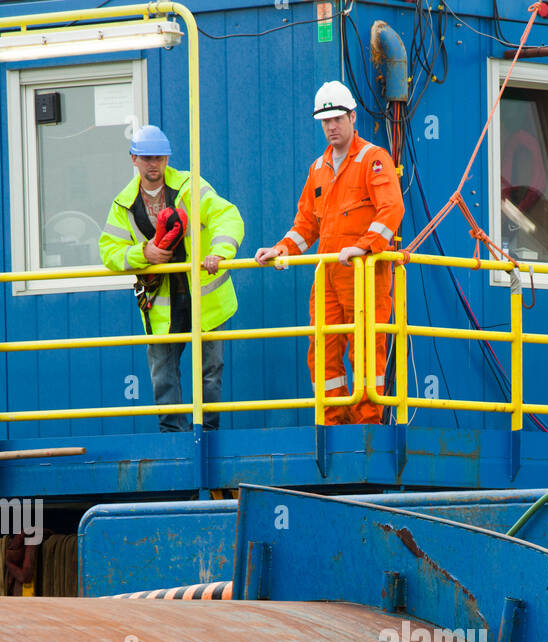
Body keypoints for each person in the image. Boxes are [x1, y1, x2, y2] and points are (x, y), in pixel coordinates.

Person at [255, 82, 404, 424]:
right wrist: (281, 249)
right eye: (325, 121)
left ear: (353, 117)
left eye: (337, 119)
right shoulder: (318, 168)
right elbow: (306, 224)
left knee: (367, 347)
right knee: (323, 348)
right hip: (329, 275)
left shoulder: (373, 160)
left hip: (366, 274)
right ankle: (333, 420)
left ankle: (368, 421)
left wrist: (364, 246)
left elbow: (391, 211)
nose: (331, 127)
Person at [99, 126, 244, 431]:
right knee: (163, 372)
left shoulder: (191, 187)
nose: (153, 163)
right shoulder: (123, 204)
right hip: (161, 305)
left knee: (210, 370)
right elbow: (109, 251)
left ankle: (209, 433)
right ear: (134, 160)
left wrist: (220, 252)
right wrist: (144, 253)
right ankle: (173, 440)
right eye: (146, 157)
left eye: (159, 157)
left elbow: (227, 216)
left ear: (167, 159)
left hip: (206, 296)